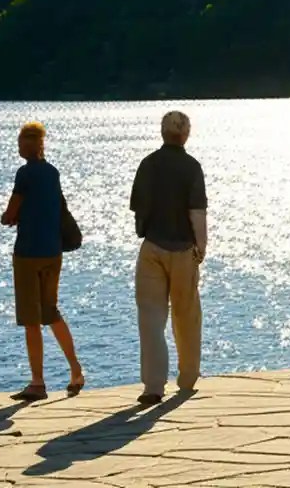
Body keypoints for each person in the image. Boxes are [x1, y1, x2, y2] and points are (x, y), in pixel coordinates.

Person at [0, 122, 84, 402]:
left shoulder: (25, 174)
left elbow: (11, 211)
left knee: (31, 319)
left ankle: (37, 383)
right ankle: (76, 370)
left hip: (28, 253)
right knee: (51, 312)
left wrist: (8, 217)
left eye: (22, 142)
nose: (18, 146)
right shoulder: (52, 173)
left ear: (32, 145)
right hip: (53, 252)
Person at [130, 111, 208, 406]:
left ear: (162, 133)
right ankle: (187, 377)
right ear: (186, 134)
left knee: (151, 318)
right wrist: (201, 246)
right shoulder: (192, 168)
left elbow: (138, 207)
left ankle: (153, 386)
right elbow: (196, 212)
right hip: (183, 249)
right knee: (186, 315)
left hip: (153, 247)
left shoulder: (148, 165)